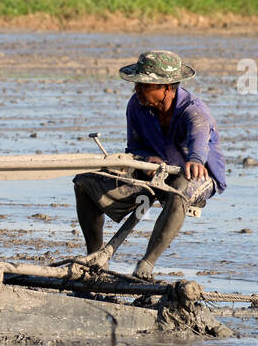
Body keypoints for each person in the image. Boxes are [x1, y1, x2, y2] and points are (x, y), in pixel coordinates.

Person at [72, 49, 226, 279]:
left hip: (196, 175)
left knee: (180, 189)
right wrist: (145, 159)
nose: (137, 89)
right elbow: (135, 148)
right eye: (137, 84)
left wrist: (195, 160)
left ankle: (146, 264)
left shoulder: (193, 111)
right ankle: (95, 260)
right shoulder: (136, 106)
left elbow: (199, 139)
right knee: (84, 183)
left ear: (167, 87)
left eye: (144, 85)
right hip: (152, 172)